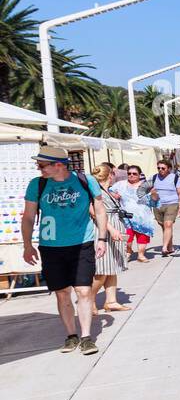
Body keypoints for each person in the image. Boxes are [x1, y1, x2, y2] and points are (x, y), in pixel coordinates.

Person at [20, 146, 108, 355]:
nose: (39, 168)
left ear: (58, 165)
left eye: (42, 165)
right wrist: (27, 245)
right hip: (51, 247)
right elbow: (28, 217)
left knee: (84, 291)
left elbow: (100, 209)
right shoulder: (37, 184)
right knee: (61, 294)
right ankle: (71, 336)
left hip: (82, 244)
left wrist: (102, 238)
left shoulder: (85, 181)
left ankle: (86, 337)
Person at [89, 162, 130, 314]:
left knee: (112, 267)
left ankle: (111, 301)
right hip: (104, 229)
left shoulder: (107, 190)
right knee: (102, 270)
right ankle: (88, 300)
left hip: (113, 225)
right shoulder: (95, 191)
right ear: (110, 175)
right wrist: (111, 230)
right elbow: (94, 212)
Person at [110, 165, 155, 263]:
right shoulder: (120, 184)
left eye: (134, 174)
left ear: (139, 175)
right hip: (126, 216)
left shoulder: (146, 185)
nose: (131, 175)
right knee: (127, 236)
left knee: (142, 236)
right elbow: (109, 191)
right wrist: (115, 195)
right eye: (129, 173)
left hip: (143, 216)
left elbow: (155, 200)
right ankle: (128, 250)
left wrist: (154, 194)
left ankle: (141, 255)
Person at [148, 158, 180, 256]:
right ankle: (170, 245)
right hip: (158, 205)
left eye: (163, 168)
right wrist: (152, 193)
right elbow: (145, 189)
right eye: (158, 168)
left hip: (172, 204)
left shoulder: (175, 178)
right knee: (163, 226)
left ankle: (164, 248)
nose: (160, 170)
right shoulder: (154, 177)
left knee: (168, 224)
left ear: (168, 168)